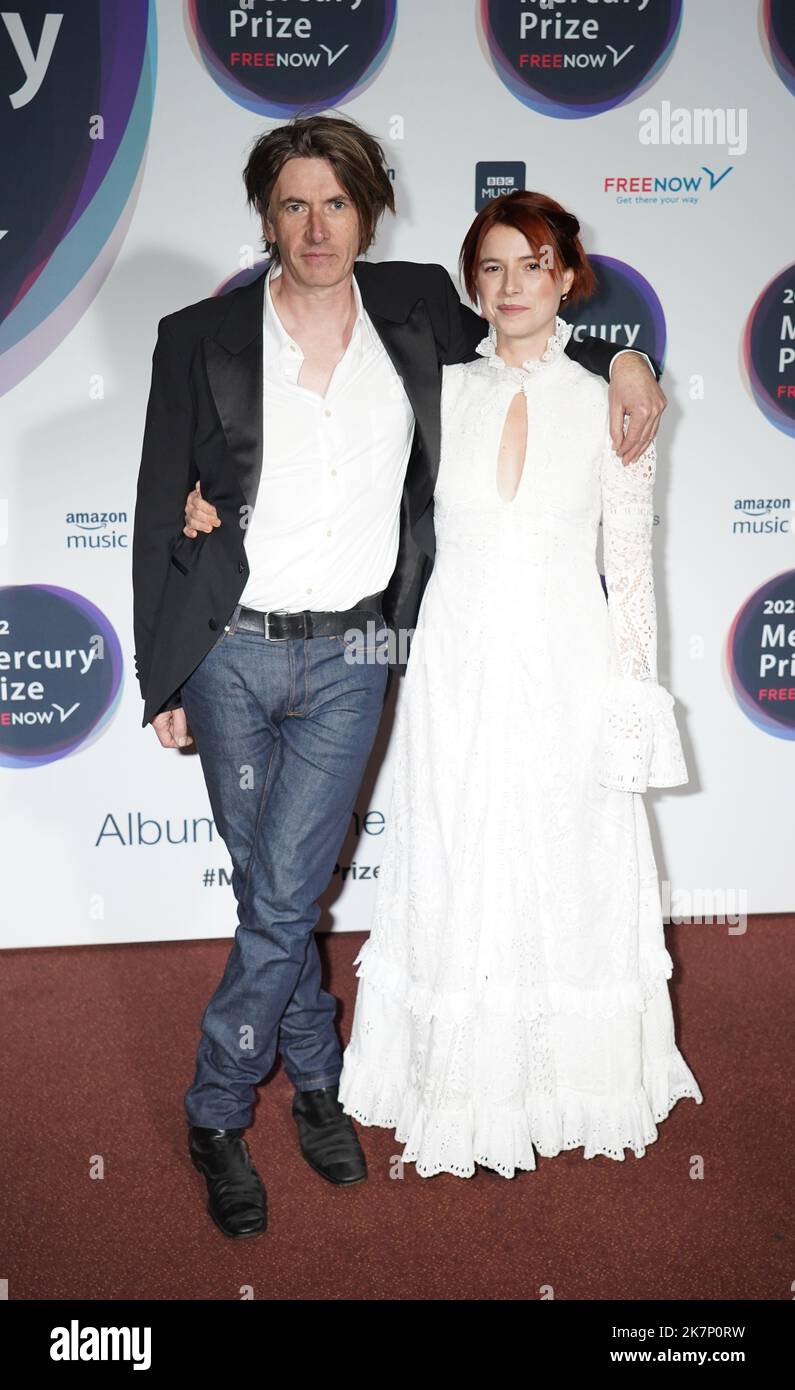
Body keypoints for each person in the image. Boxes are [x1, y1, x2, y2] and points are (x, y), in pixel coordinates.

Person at [133, 114, 666, 1239]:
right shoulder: (197, 334)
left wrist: (632, 360)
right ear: (266, 216)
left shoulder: (417, 305)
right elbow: (156, 516)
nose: (315, 227)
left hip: (354, 658)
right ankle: (318, 1078)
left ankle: (217, 1111)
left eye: (336, 203)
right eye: (292, 205)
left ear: (367, 212)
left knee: (280, 897)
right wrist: (161, 674)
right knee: (271, 895)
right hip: (229, 654)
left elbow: (552, 326)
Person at [336, 191, 703, 1177]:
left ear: (565, 277)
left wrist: (635, 698)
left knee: (569, 860)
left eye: (530, 266)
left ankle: (568, 1083)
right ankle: (451, 1080)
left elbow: (629, 564)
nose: (509, 287)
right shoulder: (440, 390)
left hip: (567, 660)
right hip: (452, 660)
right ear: (473, 283)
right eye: (491, 268)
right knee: (454, 850)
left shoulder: (612, 399)